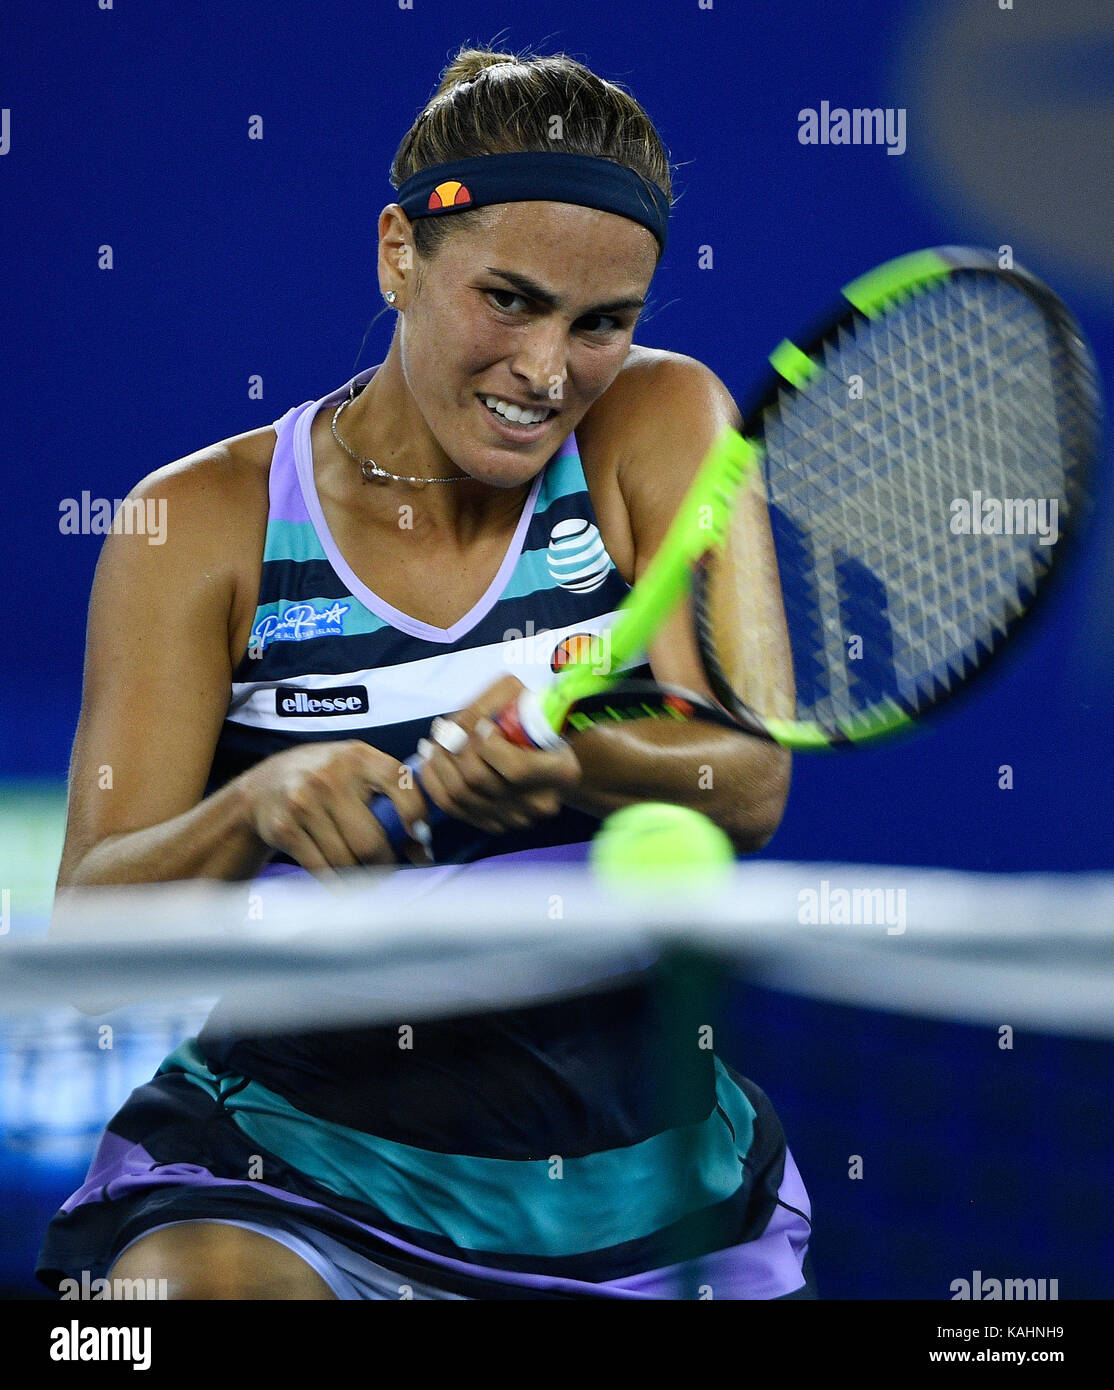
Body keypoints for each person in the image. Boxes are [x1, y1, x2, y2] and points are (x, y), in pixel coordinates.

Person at [38, 46, 812, 1299]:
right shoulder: (197, 522)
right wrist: (255, 806)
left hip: (650, 1191)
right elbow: (88, 932)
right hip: (288, 1174)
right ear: (400, 250)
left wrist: (574, 761)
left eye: (601, 323)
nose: (548, 373)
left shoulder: (664, 423)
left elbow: (751, 773)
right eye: (508, 300)